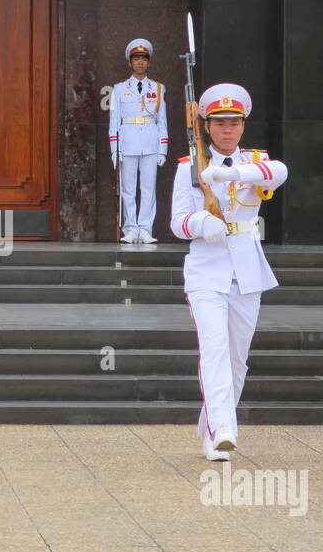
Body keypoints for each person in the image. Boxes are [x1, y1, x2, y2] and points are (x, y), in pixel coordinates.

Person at [170, 82, 288, 461]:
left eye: (234, 122)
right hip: (207, 270)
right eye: (219, 122)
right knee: (214, 350)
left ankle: (211, 429)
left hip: (247, 271)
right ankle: (224, 428)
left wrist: (227, 176)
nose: (227, 130)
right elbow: (177, 222)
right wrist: (203, 223)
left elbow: (279, 173)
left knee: (237, 358)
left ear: (243, 125)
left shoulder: (256, 160)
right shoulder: (190, 167)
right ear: (206, 126)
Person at [109, 38, 169, 243]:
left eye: (144, 58)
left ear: (149, 62)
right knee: (127, 187)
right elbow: (114, 122)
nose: (140, 62)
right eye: (136, 59)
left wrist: (163, 150)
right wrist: (114, 149)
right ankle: (130, 228)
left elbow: (162, 122)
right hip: (127, 143)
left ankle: (145, 228)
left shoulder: (159, 88)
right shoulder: (119, 89)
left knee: (148, 188)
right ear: (129, 62)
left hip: (151, 143)